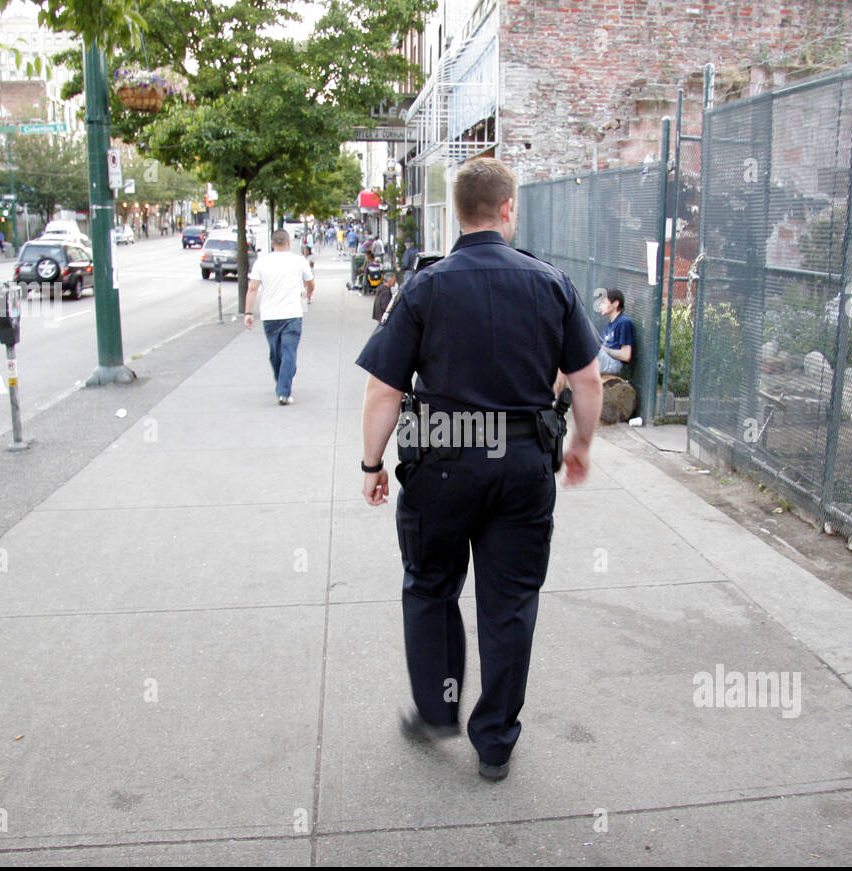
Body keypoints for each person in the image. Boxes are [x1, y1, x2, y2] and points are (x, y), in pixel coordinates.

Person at [355, 156, 603, 782]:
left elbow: (384, 391)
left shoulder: (424, 287)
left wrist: (371, 462)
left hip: (441, 461)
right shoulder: (552, 284)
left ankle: (438, 710)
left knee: (432, 584)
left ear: (458, 214)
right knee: (511, 602)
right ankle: (494, 741)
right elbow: (589, 380)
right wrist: (580, 446)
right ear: (508, 208)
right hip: (522, 465)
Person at [243, 228, 315, 405]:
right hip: (292, 314)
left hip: (270, 316)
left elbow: (252, 289)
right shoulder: (299, 261)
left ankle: (283, 390)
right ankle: (286, 376)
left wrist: (248, 312)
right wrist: (308, 293)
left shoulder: (262, 262)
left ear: (272, 243)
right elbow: (311, 283)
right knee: (287, 353)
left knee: (276, 353)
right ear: (288, 242)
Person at [595, 287, 635, 375]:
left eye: (603, 302)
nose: (600, 306)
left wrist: (604, 349)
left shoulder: (624, 322)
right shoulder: (611, 323)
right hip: (603, 359)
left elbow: (626, 355)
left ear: (616, 303)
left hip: (613, 364)